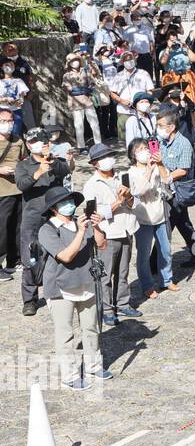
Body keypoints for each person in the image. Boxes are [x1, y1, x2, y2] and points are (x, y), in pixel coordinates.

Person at [38, 185, 110, 389]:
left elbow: (102, 244)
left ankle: (94, 366)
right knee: (65, 334)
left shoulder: (82, 222)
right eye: (63, 202)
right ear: (53, 208)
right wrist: (80, 232)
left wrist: (95, 227)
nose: (69, 205)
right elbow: (66, 256)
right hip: (61, 288)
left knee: (91, 328)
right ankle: (70, 375)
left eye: (70, 201)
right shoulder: (47, 230)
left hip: (86, 283)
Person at [17, 128, 74, 316]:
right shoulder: (24, 165)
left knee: (56, 255)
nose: (41, 143)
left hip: (53, 217)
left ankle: (57, 291)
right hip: (32, 218)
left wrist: (54, 160)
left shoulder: (54, 161)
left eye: (43, 140)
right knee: (30, 259)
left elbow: (65, 170)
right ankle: (30, 300)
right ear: (28, 144)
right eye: (35, 140)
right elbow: (21, 185)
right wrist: (38, 172)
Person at [83, 142, 141, 325]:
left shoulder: (122, 177)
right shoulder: (91, 185)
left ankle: (123, 303)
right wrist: (118, 202)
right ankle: (107, 308)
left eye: (109, 156)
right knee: (106, 274)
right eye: (102, 158)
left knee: (123, 271)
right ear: (94, 164)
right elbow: (95, 215)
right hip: (108, 234)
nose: (108, 160)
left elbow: (135, 204)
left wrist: (129, 197)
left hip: (126, 228)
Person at [127, 135, 177, 300]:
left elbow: (168, 179)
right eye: (139, 150)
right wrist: (148, 169)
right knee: (144, 253)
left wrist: (160, 164)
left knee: (165, 249)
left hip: (160, 213)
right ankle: (147, 284)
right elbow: (139, 190)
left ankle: (166, 279)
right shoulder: (132, 172)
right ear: (133, 154)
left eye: (146, 148)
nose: (144, 152)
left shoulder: (156, 165)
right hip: (143, 217)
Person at [156, 107, 195, 264]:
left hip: (178, 191)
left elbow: (183, 170)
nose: (159, 129)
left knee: (167, 226)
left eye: (161, 125)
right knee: (184, 223)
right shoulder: (162, 142)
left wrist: (165, 172)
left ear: (171, 127)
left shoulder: (183, 143)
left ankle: (154, 262)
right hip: (165, 189)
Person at [63, 50, 102, 154]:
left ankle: (99, 144)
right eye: (72, 61)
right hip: (75, 103)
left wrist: (89, 89)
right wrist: (84, 89)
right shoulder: (66, 75)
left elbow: (93, 83)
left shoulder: (85, 71)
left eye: (76, 60)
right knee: (79, 125)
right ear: (69, 63)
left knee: (94, 123)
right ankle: (81, 147)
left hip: (88, 101)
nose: (75, 62)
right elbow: (70, 89)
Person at [108, 54, 153, 143]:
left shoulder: (143, 74)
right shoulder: (118, 76)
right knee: (126, 140)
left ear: (135, 60)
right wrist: (121, 100)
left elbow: (150, 90)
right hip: (124, 111)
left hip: (142, 111)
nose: (129, 62)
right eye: (126, 60)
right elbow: (112, 93)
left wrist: (145, 102)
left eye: (130, 59)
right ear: (122, 62)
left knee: (144, 136)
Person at [0, 109, 21, 281]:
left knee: (16, 226)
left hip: (18, 189)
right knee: (1, 229)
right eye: (4, 120)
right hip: (1, 192)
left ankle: (14, 261)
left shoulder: (18, 140)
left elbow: (24, 160)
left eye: (10, 120)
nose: (8, 123)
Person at [0, 57, 30, 142]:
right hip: (2, 110)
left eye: (11, 64)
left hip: (16, 111)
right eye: (6, 64)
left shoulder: (19, 81)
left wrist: (18, 102)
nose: (9, 66)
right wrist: (4, 99)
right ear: (1, 67)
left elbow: (21, 97)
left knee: (16, 132)